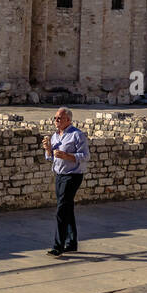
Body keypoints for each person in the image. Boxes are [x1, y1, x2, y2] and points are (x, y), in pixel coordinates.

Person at [42, 107, 90, 256]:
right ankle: (72, 242)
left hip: (73, 176)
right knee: (67, 208)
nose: (56, 121)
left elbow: (85, 156)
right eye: (55, 118)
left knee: (61, 210)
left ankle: (58, 246)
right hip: (59, 175)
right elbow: (51, 158)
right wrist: (48, 150)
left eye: (59, 118)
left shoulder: (77, 135)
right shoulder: (55, 136)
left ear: (68, 120)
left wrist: (67, 156)